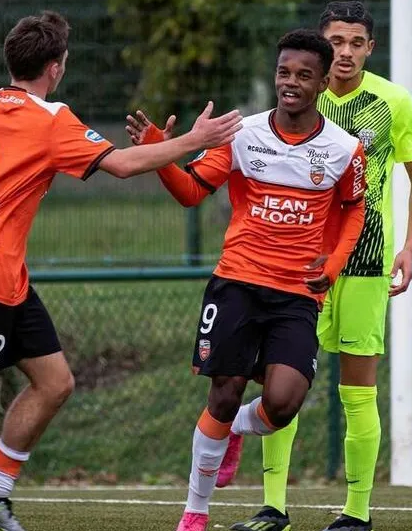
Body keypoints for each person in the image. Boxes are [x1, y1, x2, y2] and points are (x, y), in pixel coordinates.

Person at [0, 10, 243, 531]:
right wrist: (195, 140)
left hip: (7, 285)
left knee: (54, 382)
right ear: (55, 68)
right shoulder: (52, 121)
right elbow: (120, 165)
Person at [126, 28, 367, 531]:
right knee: (224, 390)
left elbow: (352, 209)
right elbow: (192, 192)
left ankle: (236, 428)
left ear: (324, 82)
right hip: (236, 281)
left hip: (297, 293)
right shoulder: (241, 133)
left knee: (282, 404)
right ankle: (195, 512)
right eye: (284, 72)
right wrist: (163, 152)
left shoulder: (345, 149)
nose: (291, 83)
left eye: (304, 75)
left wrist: (334, 262)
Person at [226, 0, 412, 531]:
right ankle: (274, 506)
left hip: (364, 265)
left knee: (358, 389)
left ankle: (357, 513)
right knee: (279, 383)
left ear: (370, 48)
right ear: (322, 46)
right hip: (298, 268)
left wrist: (409, 246)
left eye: (356, 42)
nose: (345, 52)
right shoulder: (301, 98)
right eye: (336, 41)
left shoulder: (392, 102)